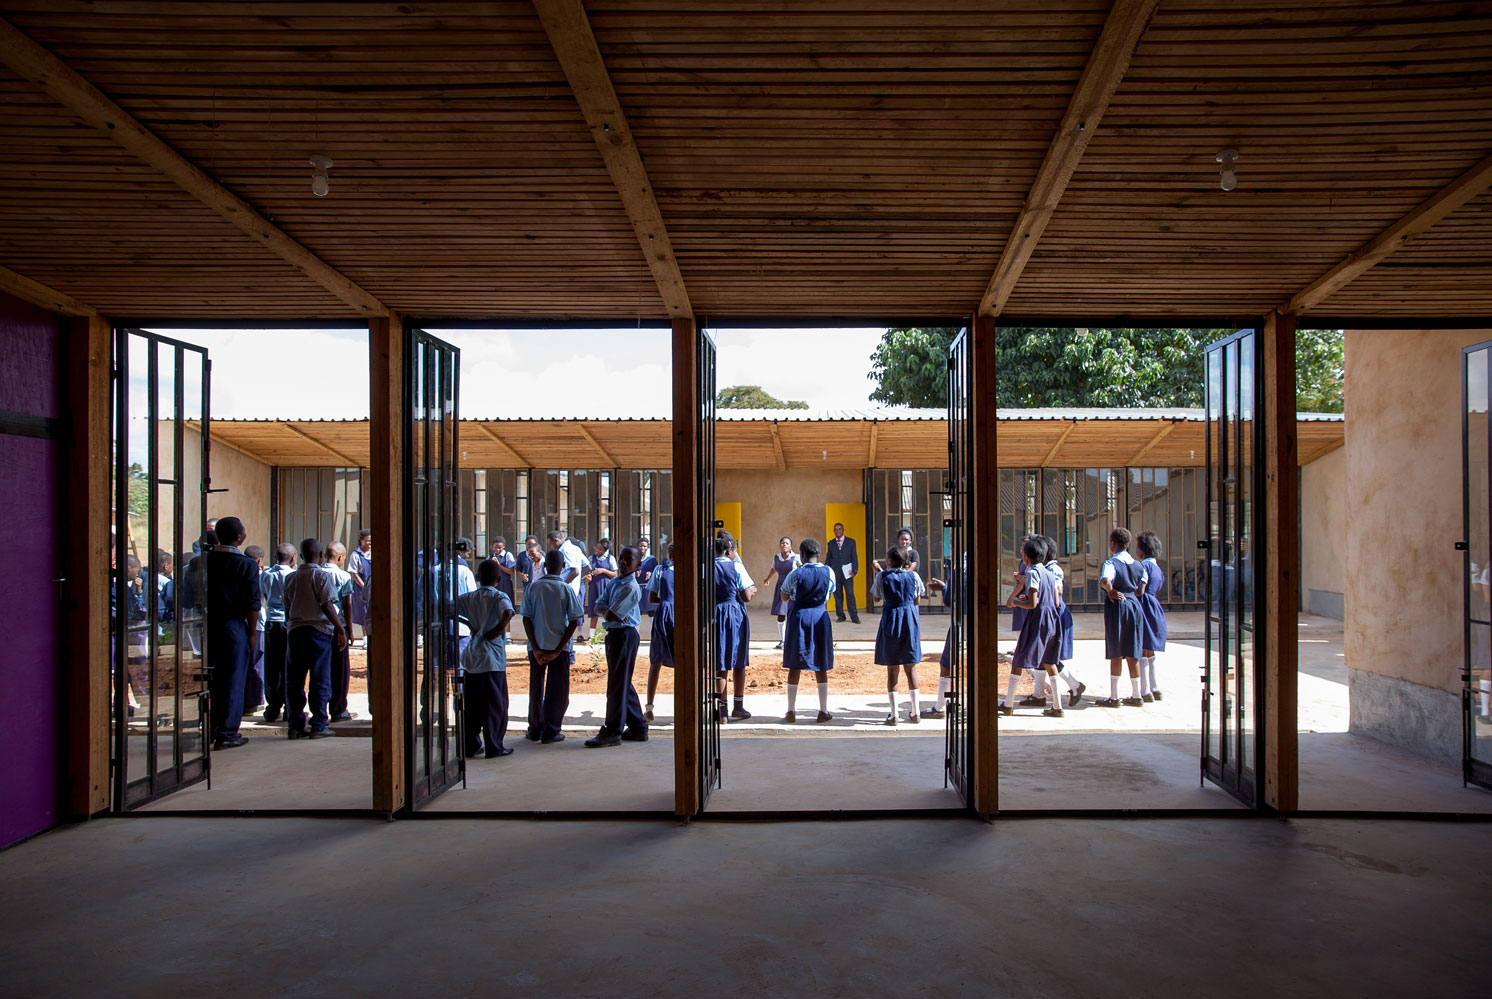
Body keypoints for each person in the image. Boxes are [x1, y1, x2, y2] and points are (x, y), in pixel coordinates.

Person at [205, 517, 261, 749]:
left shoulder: (205, 561)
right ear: (240, 537)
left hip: (207, 625)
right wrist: (251, 633)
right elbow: (252, 603)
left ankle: (210, 726)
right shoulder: (246, 565)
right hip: (233, 626)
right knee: (232, 680)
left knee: (211, 679)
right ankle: (227, 732)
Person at [283, 537, 347, 739]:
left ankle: (295, 725)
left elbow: (287, 606)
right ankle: (319, 724)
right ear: (321, 556)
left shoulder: (291, 578)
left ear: (300, 556)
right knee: (320, 679)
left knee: (295, 680)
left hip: (295, 630)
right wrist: (340, 628)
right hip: (318, 632)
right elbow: (327, 605)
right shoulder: (322, 576)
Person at [586, 546, 649, 748]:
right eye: (621, 558)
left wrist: (608, 611)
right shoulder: (615, 582)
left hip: (625, 636)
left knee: (616, 684)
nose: (623, 562)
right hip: (614, 634)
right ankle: (638, 727)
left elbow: (609, 613)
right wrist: (608, 611)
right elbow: (597, 606)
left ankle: (612, 730)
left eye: (628, 560)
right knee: (621, 681)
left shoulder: (631, 588)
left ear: (638, 564)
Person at [521, 548, 583, 744]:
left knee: (536, 688)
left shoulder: (533, 587)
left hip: (537, 646)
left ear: (545, 565)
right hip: (559, 647)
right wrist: (558, 649)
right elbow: (574, 620)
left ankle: (534, 729)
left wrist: (536, 648)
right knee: (558, 691)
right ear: (563, 566)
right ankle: (551, 730)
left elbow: (526, 618)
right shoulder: (565, 589)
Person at [455, 558, 515, 759]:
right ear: (498, 578)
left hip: (473, 657)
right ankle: (494, 745)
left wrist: (472, 626)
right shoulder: (499, 597)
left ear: (477, 577)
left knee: (472, 705)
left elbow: (449, 609)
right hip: (492, 658)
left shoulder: (468, 598)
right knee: (495, 704)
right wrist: (495, 631)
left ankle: (470, 744)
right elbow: (508, 613)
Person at [1006, 537, 1067, 718]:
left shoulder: (1032, 572)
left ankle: (1008, 704)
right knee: (1050, 662)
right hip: (1052, 619)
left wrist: (1016, 602)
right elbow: (1055, 600)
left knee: (1018, 660)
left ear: (1026, 557)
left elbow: (1033, 603)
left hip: (1037, 619)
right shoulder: (1049, 573)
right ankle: (1057, 706)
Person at [780, 538, 835, 723]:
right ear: (818, 555)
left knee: (795, 663)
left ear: (801, 555)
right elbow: (829, 592)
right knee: (821, 663)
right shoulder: (829, 572)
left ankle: (790, 710)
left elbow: (784, 595)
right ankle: (823, 710)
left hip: (799, 617)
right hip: (820, 617)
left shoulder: (795, 574)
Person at [1096, 527, 1148, 709]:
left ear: (1112, 544)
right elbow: (1141, 588)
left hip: (1118, 607)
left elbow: (1105, 581)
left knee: (1116, 649)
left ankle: (1114, 696)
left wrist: (1111, 591)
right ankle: (1136, 695)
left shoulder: (1111, 563)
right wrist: (1130, 594)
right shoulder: (1138, 565)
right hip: (1135, 605)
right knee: (1133, 649)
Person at [875, 546, 925, 725]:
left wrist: (881, 572)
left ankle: (894, 714)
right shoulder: (913, 576)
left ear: (888, 561)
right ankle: (916, 712)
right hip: (909, 619)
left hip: (891, 619)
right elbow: (917, 599)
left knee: (892, 668)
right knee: (910, 668)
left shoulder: (882, 576)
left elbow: (876, 598)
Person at [712, 535, 755, 722]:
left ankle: (721, 711)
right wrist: (751, 590)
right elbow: (746, 596)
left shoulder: (706, 568)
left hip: (715, 615)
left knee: (720, 662)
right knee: (738, 659)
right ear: (729, 551)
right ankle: (738, 706)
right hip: (735, 614)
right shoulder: (736, 566)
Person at [1039, 535, 1086, 707]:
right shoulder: (1045, 568)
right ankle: (1074, 686)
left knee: (1048, 656)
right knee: (1046, 656)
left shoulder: (1053, 569)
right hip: (1051, 614)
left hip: (1055, 615)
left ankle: (1066, 693)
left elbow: (1057, 590)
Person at [259, 542, 296, 723]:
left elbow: (264, 596)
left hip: (271, 622)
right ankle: (290, 707)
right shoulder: (293, 575)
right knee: (289, 665)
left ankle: (273, 706)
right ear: (293, 559)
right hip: (287, 623)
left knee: (272, 665)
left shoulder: (266, 574)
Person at [322, 540, 357, 722]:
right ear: (340, 557)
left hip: (320, 627)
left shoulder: (317, 574)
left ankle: (321, 709)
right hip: (339, 627)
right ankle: (338, 709)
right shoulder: (343, 576)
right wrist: (349, 630)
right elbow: (347, 605)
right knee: (340, 670)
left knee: (322, 668)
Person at [643, 541, 675, 722]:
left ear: (668, 556)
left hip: (663, 615)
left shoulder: (659, 571)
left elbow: (652, 597)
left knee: (656, 660)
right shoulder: (691, 570)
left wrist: (666, 602)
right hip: (683, 615)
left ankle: (649, 707)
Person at [1136, 530, 1168, 702]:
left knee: (1142, 647)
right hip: (1154, 606)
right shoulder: (1157, 568)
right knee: (1151, 649)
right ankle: (1155, 688)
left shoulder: (1144, 567)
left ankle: (1144, 690)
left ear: (1142, 550)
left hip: (1143, 607)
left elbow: (1141, 589)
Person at [242, 544, 268, 716]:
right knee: (257, 660)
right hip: (257, 623)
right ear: (259, 561)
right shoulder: (260, 576)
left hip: (241, 621)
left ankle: (245, 698)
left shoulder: (239, 573)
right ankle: (255, 699)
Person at [762, 535, 800, 649]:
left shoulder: (796, 558)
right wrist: (767, 579)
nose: (784, 545)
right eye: (782, 543)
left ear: (791, 546)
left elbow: (802, 569)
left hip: (793, 588)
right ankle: (783, 640)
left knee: (793, 614)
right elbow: (773, 569)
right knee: (781, 614)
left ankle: (794, 639)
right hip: (781, 587)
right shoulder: (776, 558)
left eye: (787, 543)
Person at [824, 522, 860, 623]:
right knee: (838, 595)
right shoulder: (831, 544)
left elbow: (854, 558)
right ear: (834, 531)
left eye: (840, 529)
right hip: (836, 573)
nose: (838, 531)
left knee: (850, 594)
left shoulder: (851, 542)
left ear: (843, 530)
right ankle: (841, 615)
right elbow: (829, 558)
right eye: (836, 529)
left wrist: (855, 571)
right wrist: (827, 571)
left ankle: (854, 616)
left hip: (848, 573)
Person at [584, 538, 618, 641]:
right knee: (594, 610)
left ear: (605, 550)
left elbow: (615, 574)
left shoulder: (610, 559)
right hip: (594, 586)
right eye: (596, 547)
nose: (596, 550)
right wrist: (589, 576)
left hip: (606, 587)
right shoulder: (591, 558)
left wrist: (603, 570)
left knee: (607, 610)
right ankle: (592, 636)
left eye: (599, 549)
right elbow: (588, 571)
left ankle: (610, 633)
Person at [488, 536, 518, 632]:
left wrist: (498, 565)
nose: (497, 549)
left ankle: (507, 634)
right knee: (495, 608)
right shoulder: (491, 556)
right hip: (495, 584)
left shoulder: (507, 555)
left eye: (499, 547)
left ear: (503, 547)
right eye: (495, 547)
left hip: (505, 584)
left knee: (506, 608)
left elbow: (510, 571)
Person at [348, 528, 372, 647]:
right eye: (368, 540)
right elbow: (354, 573)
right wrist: (364, 586)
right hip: (361, 588)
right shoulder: (355, 555)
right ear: (361, 541)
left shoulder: (374, 553)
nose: (369, 543)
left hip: (373, 587)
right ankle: (365, 637)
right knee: (363, 612)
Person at [635, 536, 658, 618]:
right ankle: (635, 630)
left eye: (644, 546)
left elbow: (656, 571)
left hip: (648, 587)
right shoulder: (634, 559)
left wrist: (650, 574)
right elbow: (628, 571)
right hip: (637, 587)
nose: (642, 548)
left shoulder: (651, 559)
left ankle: (654, 629)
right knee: (637, 610)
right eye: (640, 546)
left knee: (651, 610)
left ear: (648, 547)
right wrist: (635, 574)